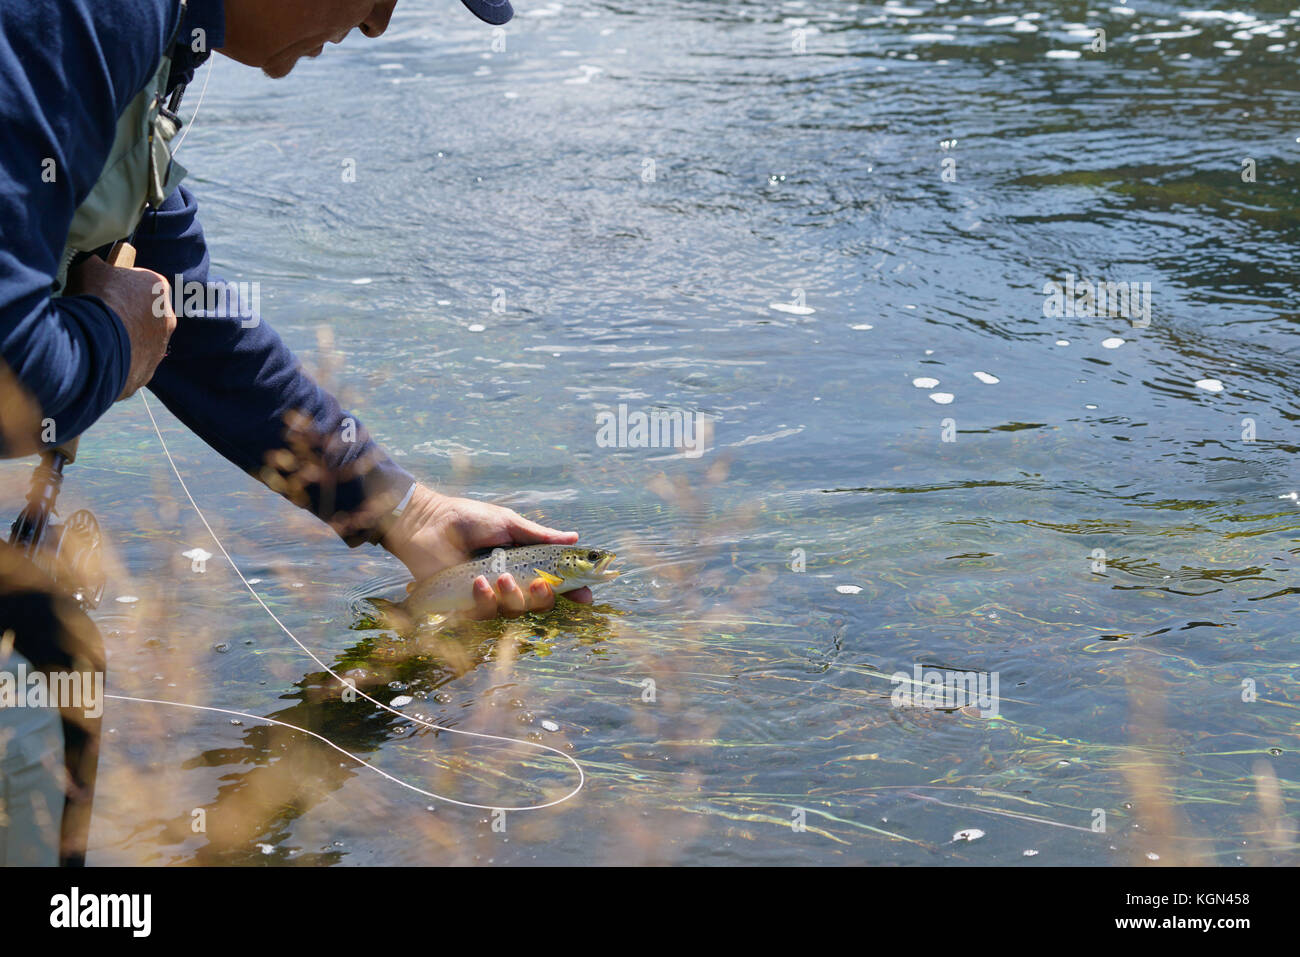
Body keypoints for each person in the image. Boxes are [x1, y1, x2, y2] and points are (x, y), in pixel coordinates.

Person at [0, 0, 588, 864]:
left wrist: (406, 512)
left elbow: (192, 317)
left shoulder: (157, 33)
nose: (383, 23)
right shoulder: (93, 13)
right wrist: (114, 340)